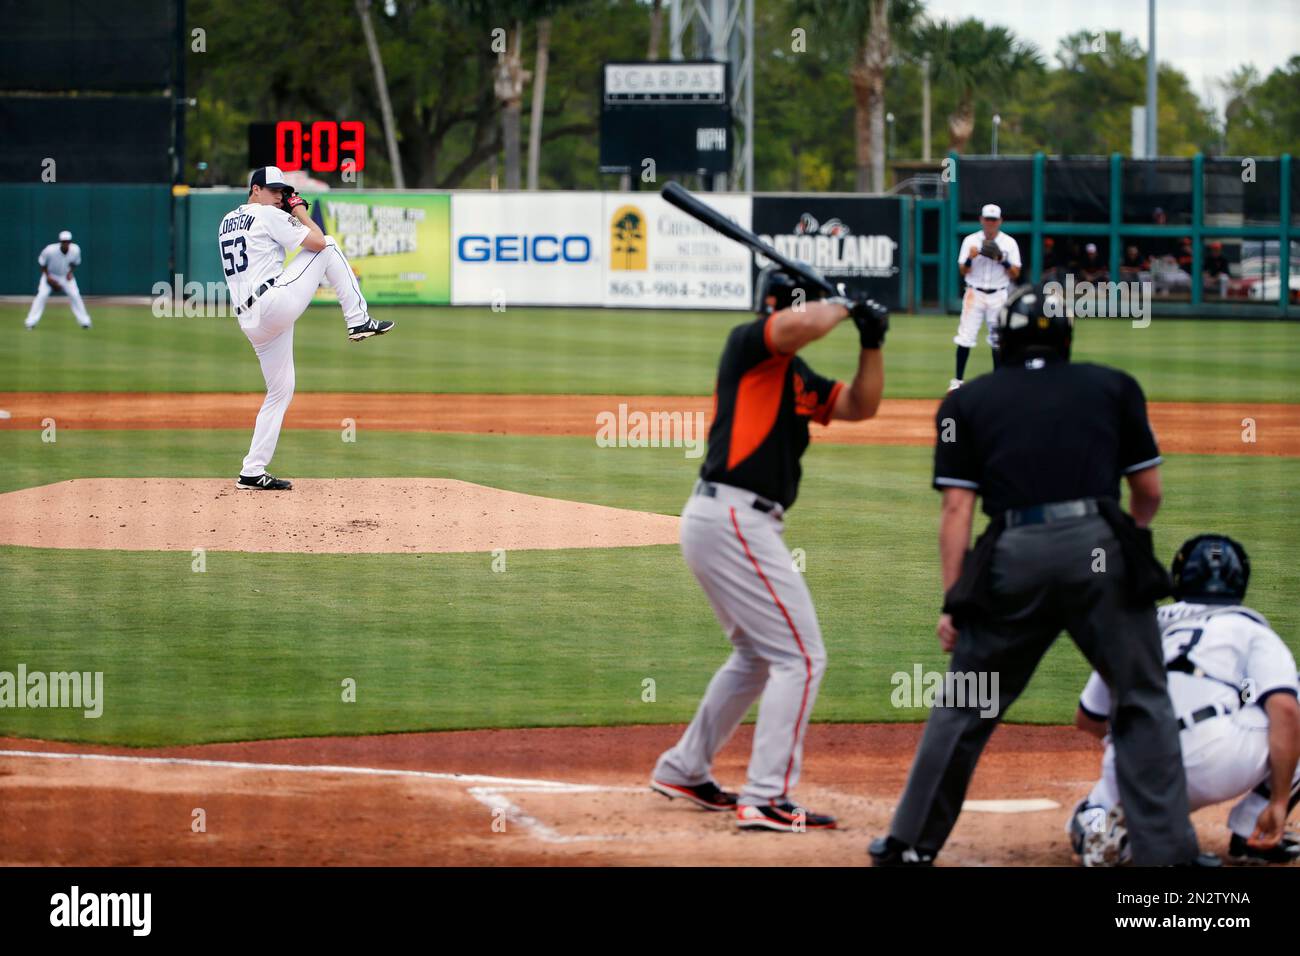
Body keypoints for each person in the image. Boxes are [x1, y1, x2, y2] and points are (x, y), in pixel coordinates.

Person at [870, 283, 1207, 867]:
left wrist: (955, 600)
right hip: (1099, 549)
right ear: (1068, 338)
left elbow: (957, 510)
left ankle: (907, 845)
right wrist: (1116, 543)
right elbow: (1147, 492)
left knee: (964, 703)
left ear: (1002, 337)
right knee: (1144, 699)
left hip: (1013, 556)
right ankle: (1170, 857)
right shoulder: (1114, 386)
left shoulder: (966, 403)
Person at [649, 267, 888, 832]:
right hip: (733, 517)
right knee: (802, 658)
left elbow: (860, 405)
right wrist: (845, 305)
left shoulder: (797, 374)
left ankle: (684, 767)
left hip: (729, 521)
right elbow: (796, 325)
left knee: (759, 656)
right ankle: (766, 796)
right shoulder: (750, 346)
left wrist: (872, 341)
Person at [1069, 534, 1300, 866]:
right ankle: (1254, 830)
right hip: (1214, 763)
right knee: (1289, 702)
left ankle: (1101, 827)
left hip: (1136, 766)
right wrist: (1278, 801)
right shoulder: (1248, 627)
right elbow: (1286, 710)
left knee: (1089, 817)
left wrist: (1132, 742)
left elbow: (1088, 718)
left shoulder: (1139, 624)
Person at [218, 166, 394, 491]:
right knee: (327, 243)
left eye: (283, 192)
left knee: (281, 390)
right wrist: (298, 210)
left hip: (251, 319)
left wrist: (288, 211)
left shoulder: (228, 220)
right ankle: (357, 320)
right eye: (274, 190)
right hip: (272, 302)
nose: (280, 197)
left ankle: (252, 470)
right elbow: (314, 241)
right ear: (255, 190)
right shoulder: (265, 214)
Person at [950, 203, 1020, 392]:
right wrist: (970, 258)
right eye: (987, 219)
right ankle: (957, 381)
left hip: (999, 294)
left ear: (1000, 221)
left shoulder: (1009, 243)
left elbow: (1015, 273)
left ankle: (998, 381)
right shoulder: (970, 241)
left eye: (993, 220)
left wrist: (1002, 260)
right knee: (965, 336)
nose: (990, 223)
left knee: (998, 338)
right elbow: (963, 271)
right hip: (975, 293)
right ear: (981, 220)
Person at [24, 230, 92, 330]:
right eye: (64, 241)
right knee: (41, 295)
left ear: (70, 242)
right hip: (50, 275)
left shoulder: (75, 249)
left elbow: (75, 263)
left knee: (75, 295)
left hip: (65, 275)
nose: (66, 243)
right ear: (60, 242)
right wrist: (48, 278)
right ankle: (30, 322)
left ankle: (85, 322)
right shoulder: (50, 250)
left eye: (68, 241)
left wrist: (70, 273)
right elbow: (42, 264)